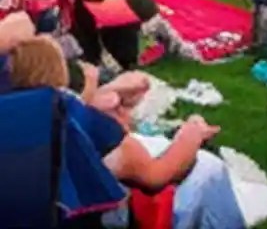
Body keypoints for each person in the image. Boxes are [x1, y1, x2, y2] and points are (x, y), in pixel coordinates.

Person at [7, 35, 247, 229]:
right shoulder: (81, 122)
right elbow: (157, 176)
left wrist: (106, 93)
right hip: (88, 218)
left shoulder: (13, 116)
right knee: (209, 169)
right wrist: (191, 135)